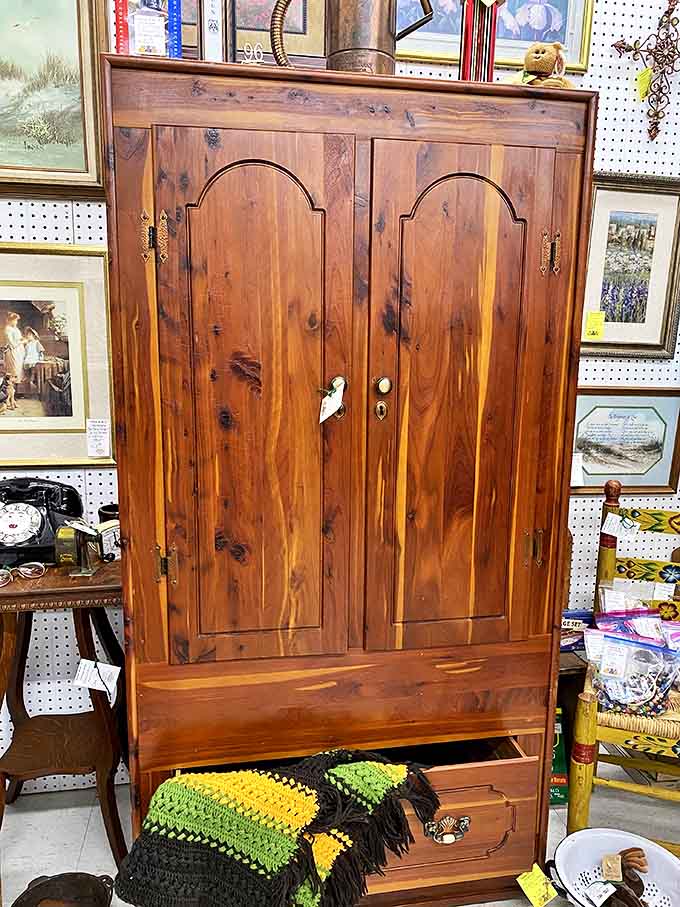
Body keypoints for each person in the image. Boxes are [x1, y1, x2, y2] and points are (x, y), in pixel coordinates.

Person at [2, 312, 24, 407]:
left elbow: (18, 339)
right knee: (13, 373)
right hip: (12, 353)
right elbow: (13, 344)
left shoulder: (15, 328)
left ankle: (15, 394)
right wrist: (22, 341)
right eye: (14, 320)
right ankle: (10, 397)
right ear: (9, 320)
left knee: (18, 373)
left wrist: (21, 341)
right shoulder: (7, 329)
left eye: (16, 320)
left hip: (18, 353)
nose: (16, 322)